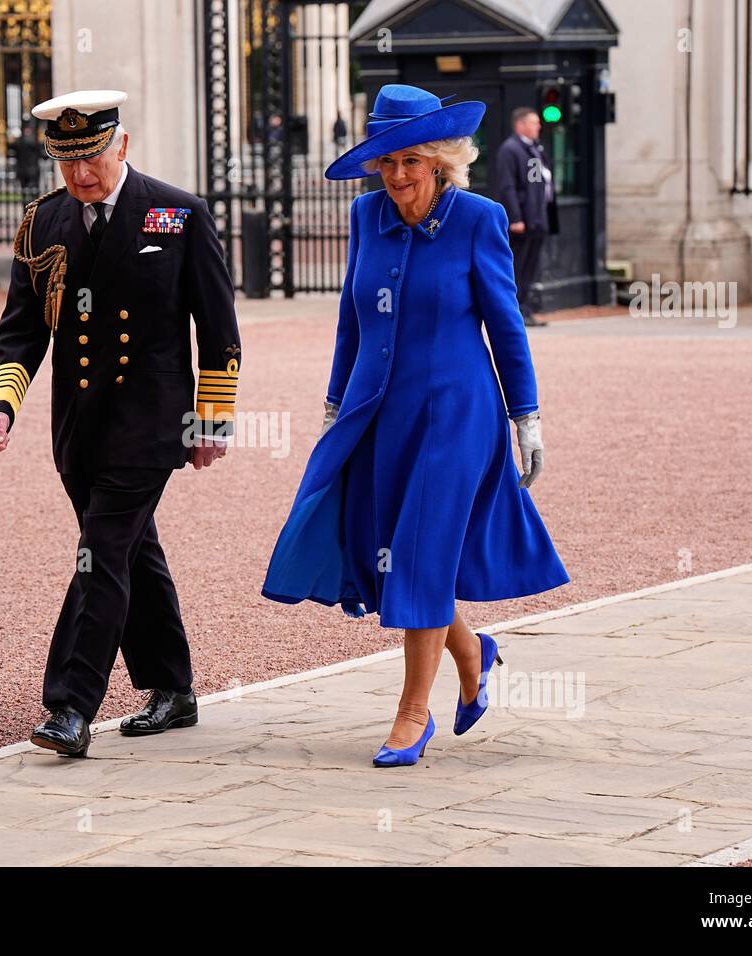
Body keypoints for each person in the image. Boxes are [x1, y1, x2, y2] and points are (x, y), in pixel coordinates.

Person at [261, 84, 569, 767]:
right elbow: (351, 316)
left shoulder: (478, 219)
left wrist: (527, 417)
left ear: (440, 160)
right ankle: (473, 650)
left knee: (423, 551)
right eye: (387, 162)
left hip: (457, 415)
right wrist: (335, 402)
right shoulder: (366, 217)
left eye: (412, 161)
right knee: (380, 546)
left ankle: (411, 714)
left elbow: (505, 325)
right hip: (378, 412)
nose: (398, 176)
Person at [0, 90, 241, 758]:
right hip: (80, 425)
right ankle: (173, 688)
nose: (81, 175)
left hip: (151, 423)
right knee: (131, 553)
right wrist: (1, 403)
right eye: (67, 163)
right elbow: (21, 329)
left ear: (121, 145)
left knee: (99, 554)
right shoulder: (44, 221)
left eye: (92, 157)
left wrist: (212, 418)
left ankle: (70, 703)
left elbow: (218, 327)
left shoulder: (177, 213)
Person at [495, 107, 558, 327]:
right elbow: (507, 186)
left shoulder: (533, 149)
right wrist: (515, 218)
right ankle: (515, 310)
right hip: (523, 220)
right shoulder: (510, 150)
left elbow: (537, 182)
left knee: (530, 266)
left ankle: (524, 307)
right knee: (518, 266)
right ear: (520, 125)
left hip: (538, 217)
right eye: (533, 122)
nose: (538, 126)